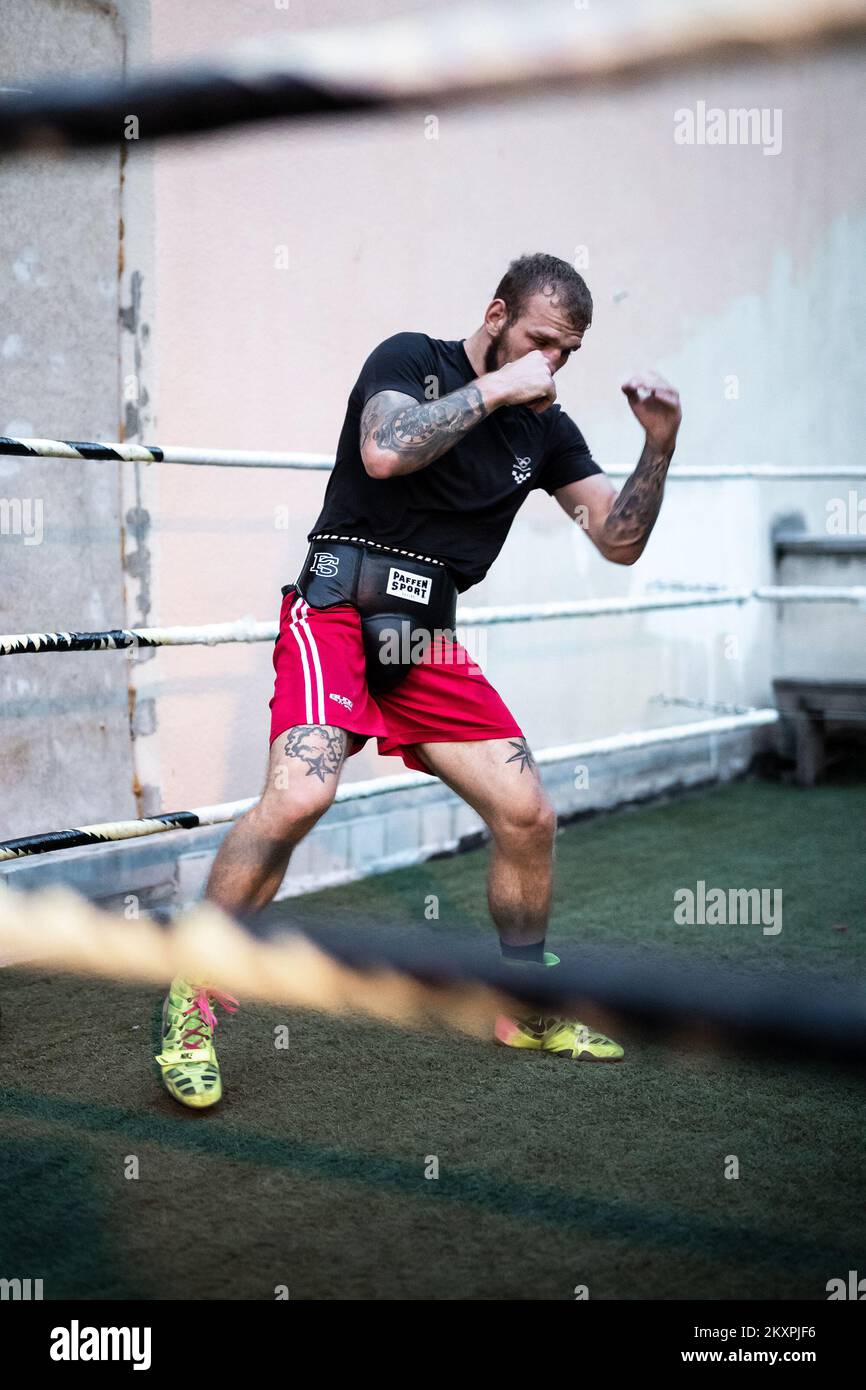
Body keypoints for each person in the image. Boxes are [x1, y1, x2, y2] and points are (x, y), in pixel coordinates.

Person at [156, 252, 682, 1108]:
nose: (552, 363)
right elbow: (385, 451)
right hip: (336, 609)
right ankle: (190, 1001)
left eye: (567, 353)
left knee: (527, 812)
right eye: (541, 341)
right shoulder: (411, 358)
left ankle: (527, 1006)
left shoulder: (546, 433)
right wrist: (505, 387)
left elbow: (617, 539)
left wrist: (660, 444)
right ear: (497, 313)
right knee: (298, 797)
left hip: (424, 642)